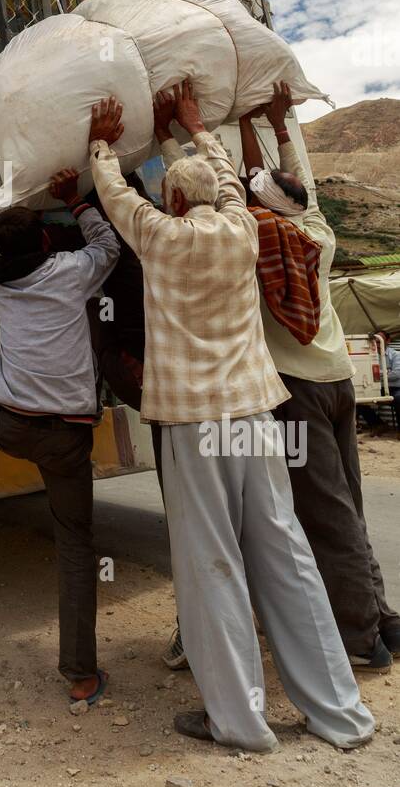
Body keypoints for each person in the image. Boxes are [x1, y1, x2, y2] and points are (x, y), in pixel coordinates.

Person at [88, 81, 374, 752]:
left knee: (211, 562)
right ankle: (341, 715)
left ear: (172, 201)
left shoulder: (158, 236)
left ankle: (239, 722)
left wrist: (103, 139)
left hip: (193, 423)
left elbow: (112, 192)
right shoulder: (243, 228)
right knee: (286, 553)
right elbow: (224, 178)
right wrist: (185, 128)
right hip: (254, 415)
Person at [0, 168, 120, 704]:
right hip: (64, 440)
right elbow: (109, 245)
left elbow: (12, 248)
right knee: (76, 545)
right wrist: (75, 200)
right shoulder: (73, 271)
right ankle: (80, 674)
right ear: (48, 239)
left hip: (6, 425)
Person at [233, 83, 400, 669]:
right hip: (338, 381)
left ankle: (359, 639)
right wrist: (275, 126)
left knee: (325, 513)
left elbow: (240, 192)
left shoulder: (257, 240)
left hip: (297, 392)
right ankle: (382, 615)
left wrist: (190, 130)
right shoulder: (315, 233)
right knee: (348, 502)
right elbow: (276, 185)